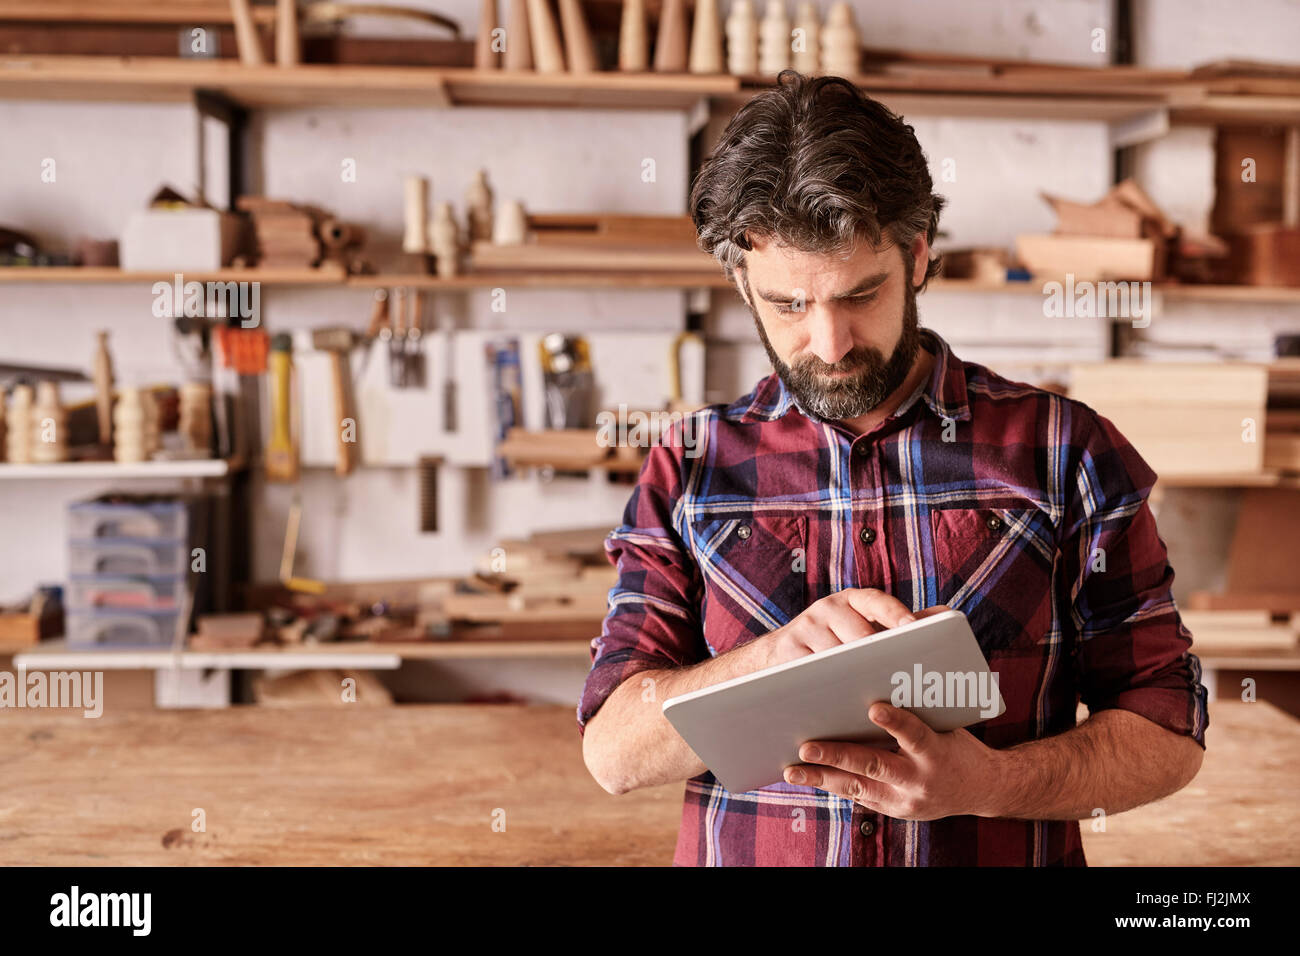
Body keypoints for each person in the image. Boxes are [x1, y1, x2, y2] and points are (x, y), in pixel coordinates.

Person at [577, 71, 1207, 866]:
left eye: (860, 294)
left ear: (916, 256)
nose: (831, 344)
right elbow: (613, 754)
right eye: (789, 306)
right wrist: (770, 662)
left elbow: (1168, 731)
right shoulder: (689, 464)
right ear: (742, 281)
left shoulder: (1066, 450)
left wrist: (989, 785)